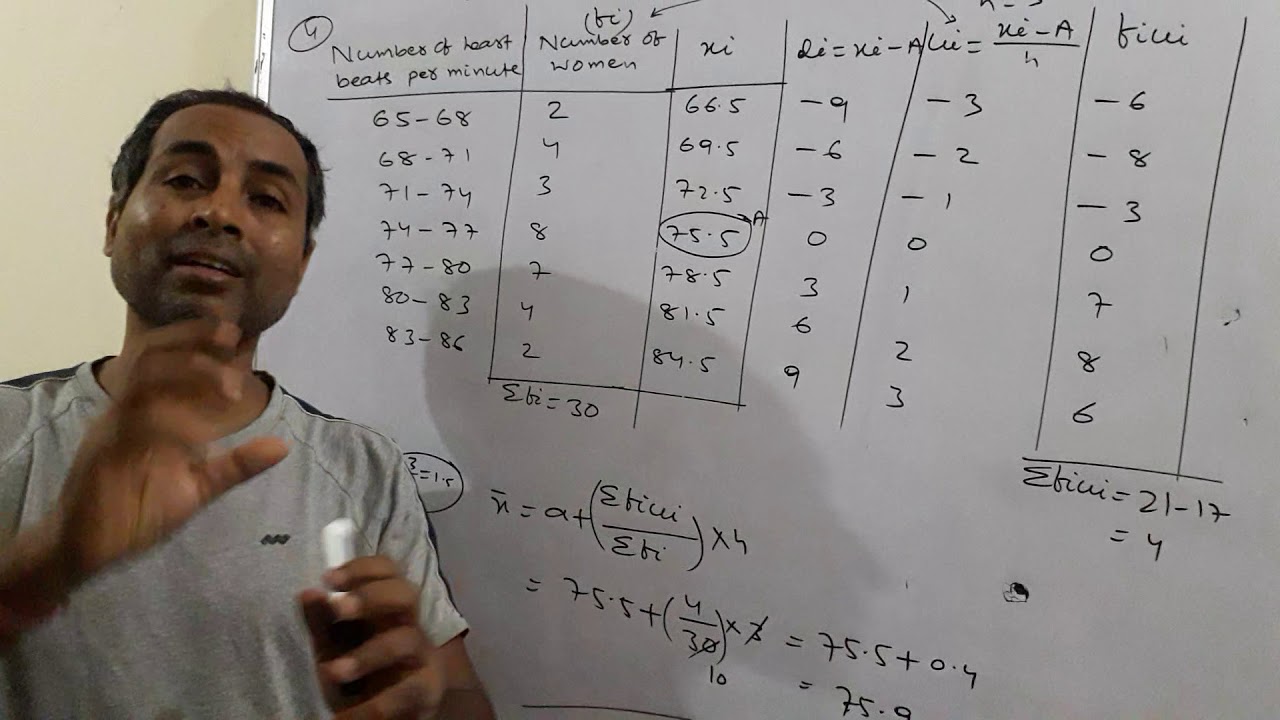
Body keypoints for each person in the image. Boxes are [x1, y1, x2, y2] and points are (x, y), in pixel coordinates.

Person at [0, 88, 495, 719]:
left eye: (266, 199)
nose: (219, 212)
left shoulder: (362, 467)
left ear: (302, 262)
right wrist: (46, 564)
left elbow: (459, 697)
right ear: (113, 220)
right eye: (185, 179)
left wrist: (418, 701)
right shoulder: (10, 430)